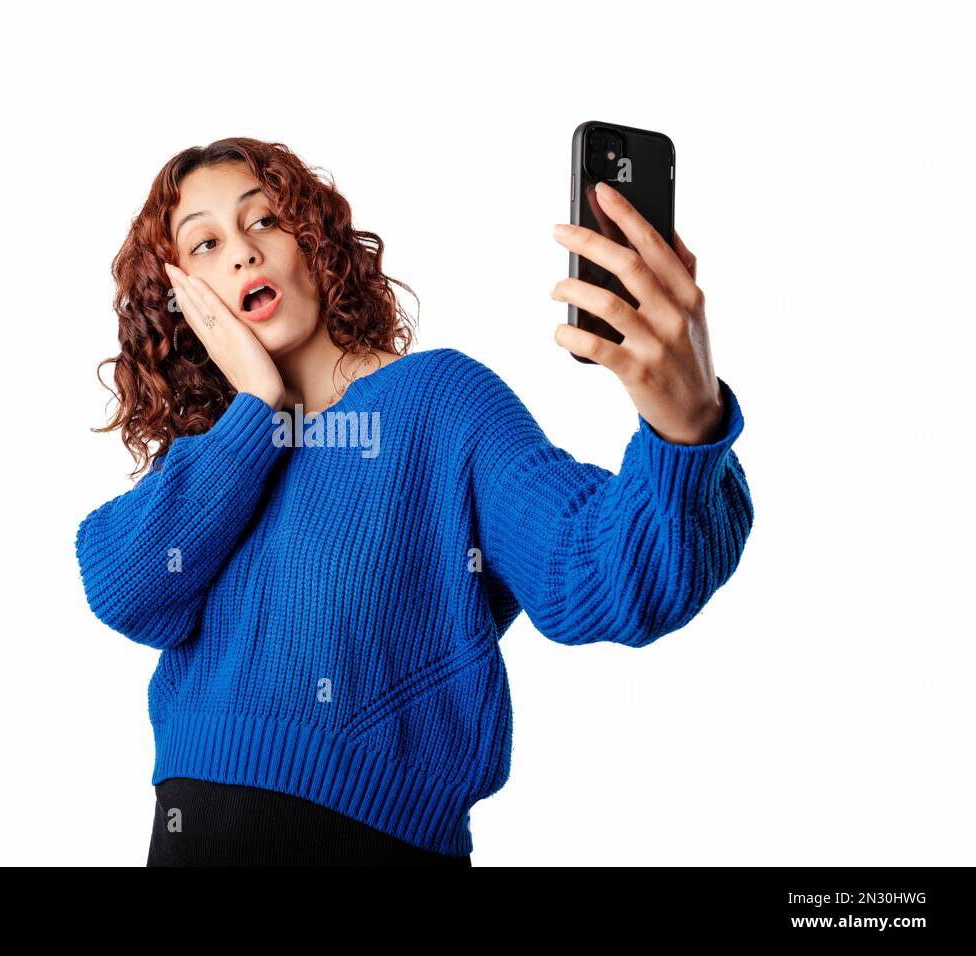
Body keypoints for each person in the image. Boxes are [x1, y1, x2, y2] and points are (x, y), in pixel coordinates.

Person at [75, 137, 754, 867]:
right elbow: (126, 590)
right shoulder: (216, 462)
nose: (241, 252)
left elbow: (603, 572)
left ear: (313, 240)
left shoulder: (439, 403)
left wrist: (686, 427)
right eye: (205, 243)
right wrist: (258, 408)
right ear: (181, 298)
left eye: (264, 221)